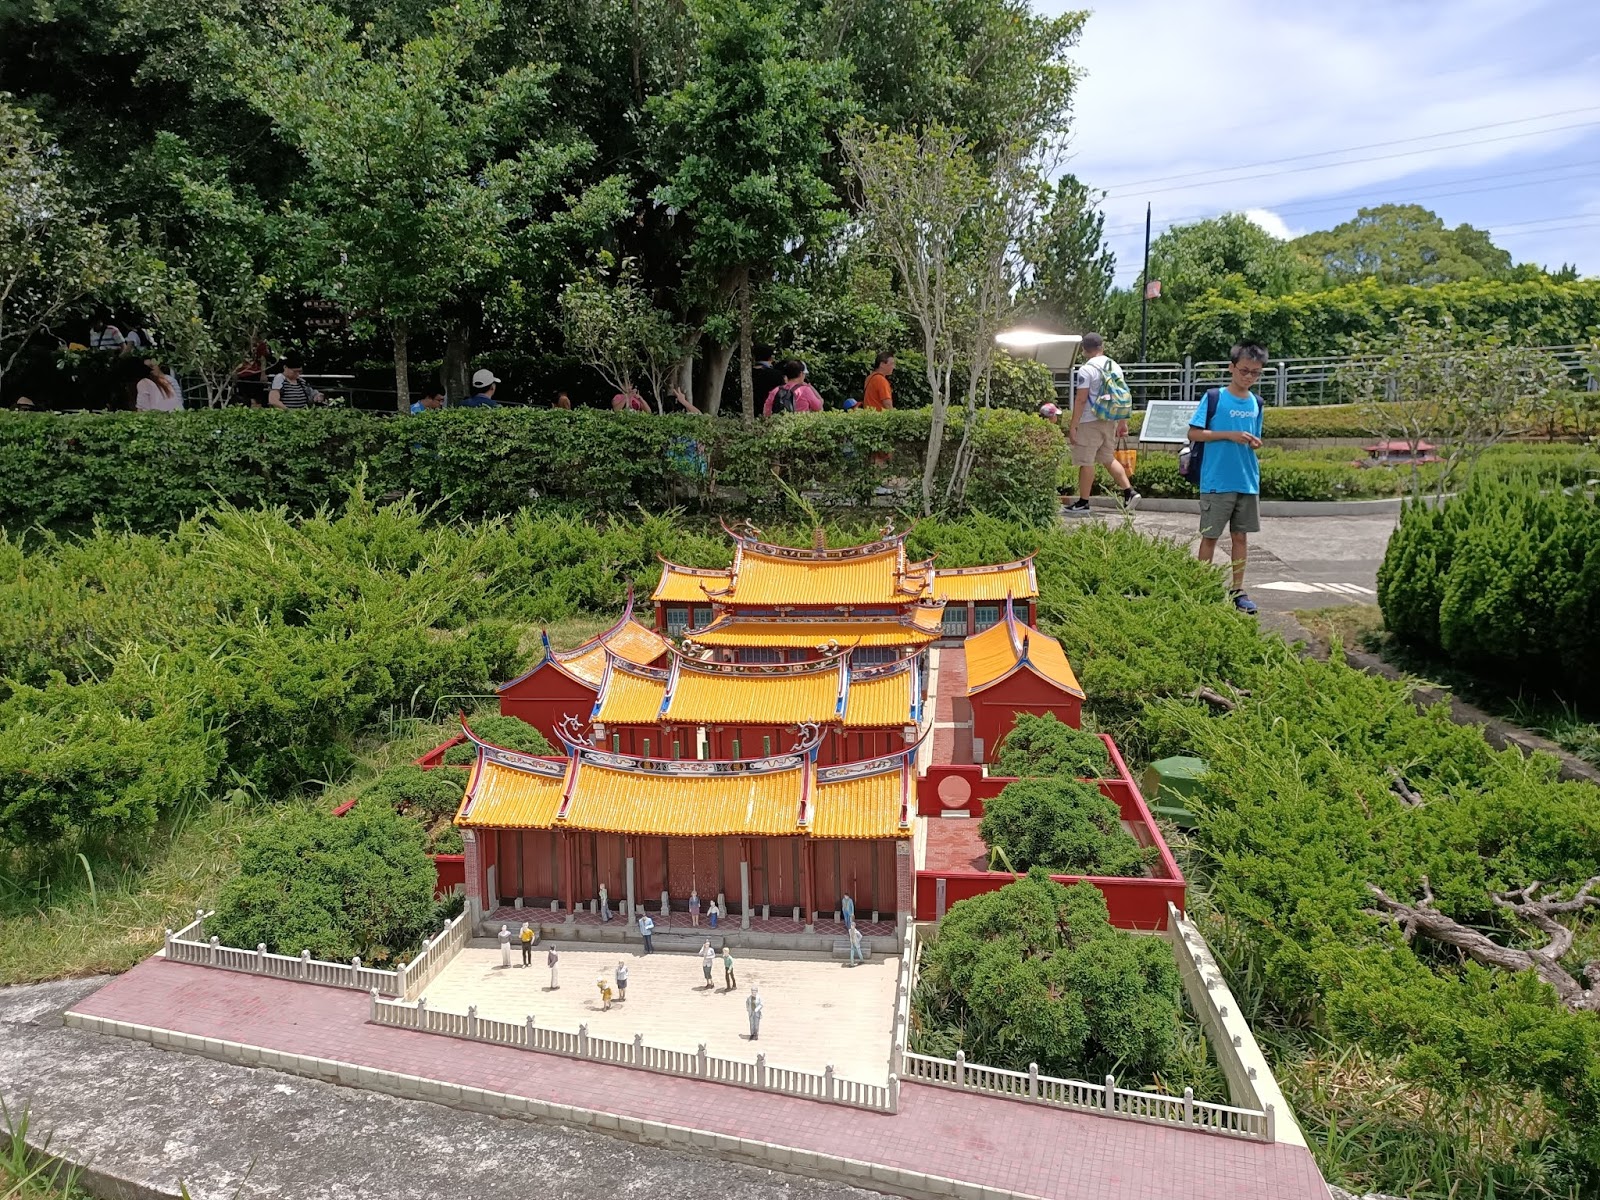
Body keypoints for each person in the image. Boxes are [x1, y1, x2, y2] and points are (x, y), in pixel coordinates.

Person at [1189, 343, 1267, 615]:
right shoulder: (1214, 397)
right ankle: (1200, 587)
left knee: (1241, 537)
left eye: (1255, 373)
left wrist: (1255, 443)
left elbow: (1255, 435)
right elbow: (1194, 433)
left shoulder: (1257, 403)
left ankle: (1238, 590)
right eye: (1244, 370)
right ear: (1231, 367)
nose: (1248, 377)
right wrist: (1228, 435)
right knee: (1210, 537)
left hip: (1247, 480)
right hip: (1217, 480)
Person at [1064, 333, 1139, 515]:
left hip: (1090, 420)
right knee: (1107, 458)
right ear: (1102, 347)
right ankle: (1130, 492)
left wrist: (1073, 426)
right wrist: (1123, 422)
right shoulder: (1114, 366)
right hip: (1110, 419)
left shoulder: (1086, 369)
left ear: (1084, 350)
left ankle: (1083, 502)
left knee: (1086, 461)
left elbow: (1081, 399)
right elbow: (1122, 396)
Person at [751, 345, 783, 415]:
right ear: (770, 358)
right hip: (771, 411)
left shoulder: (748, 373)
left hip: (751, 409)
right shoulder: (776, 374)